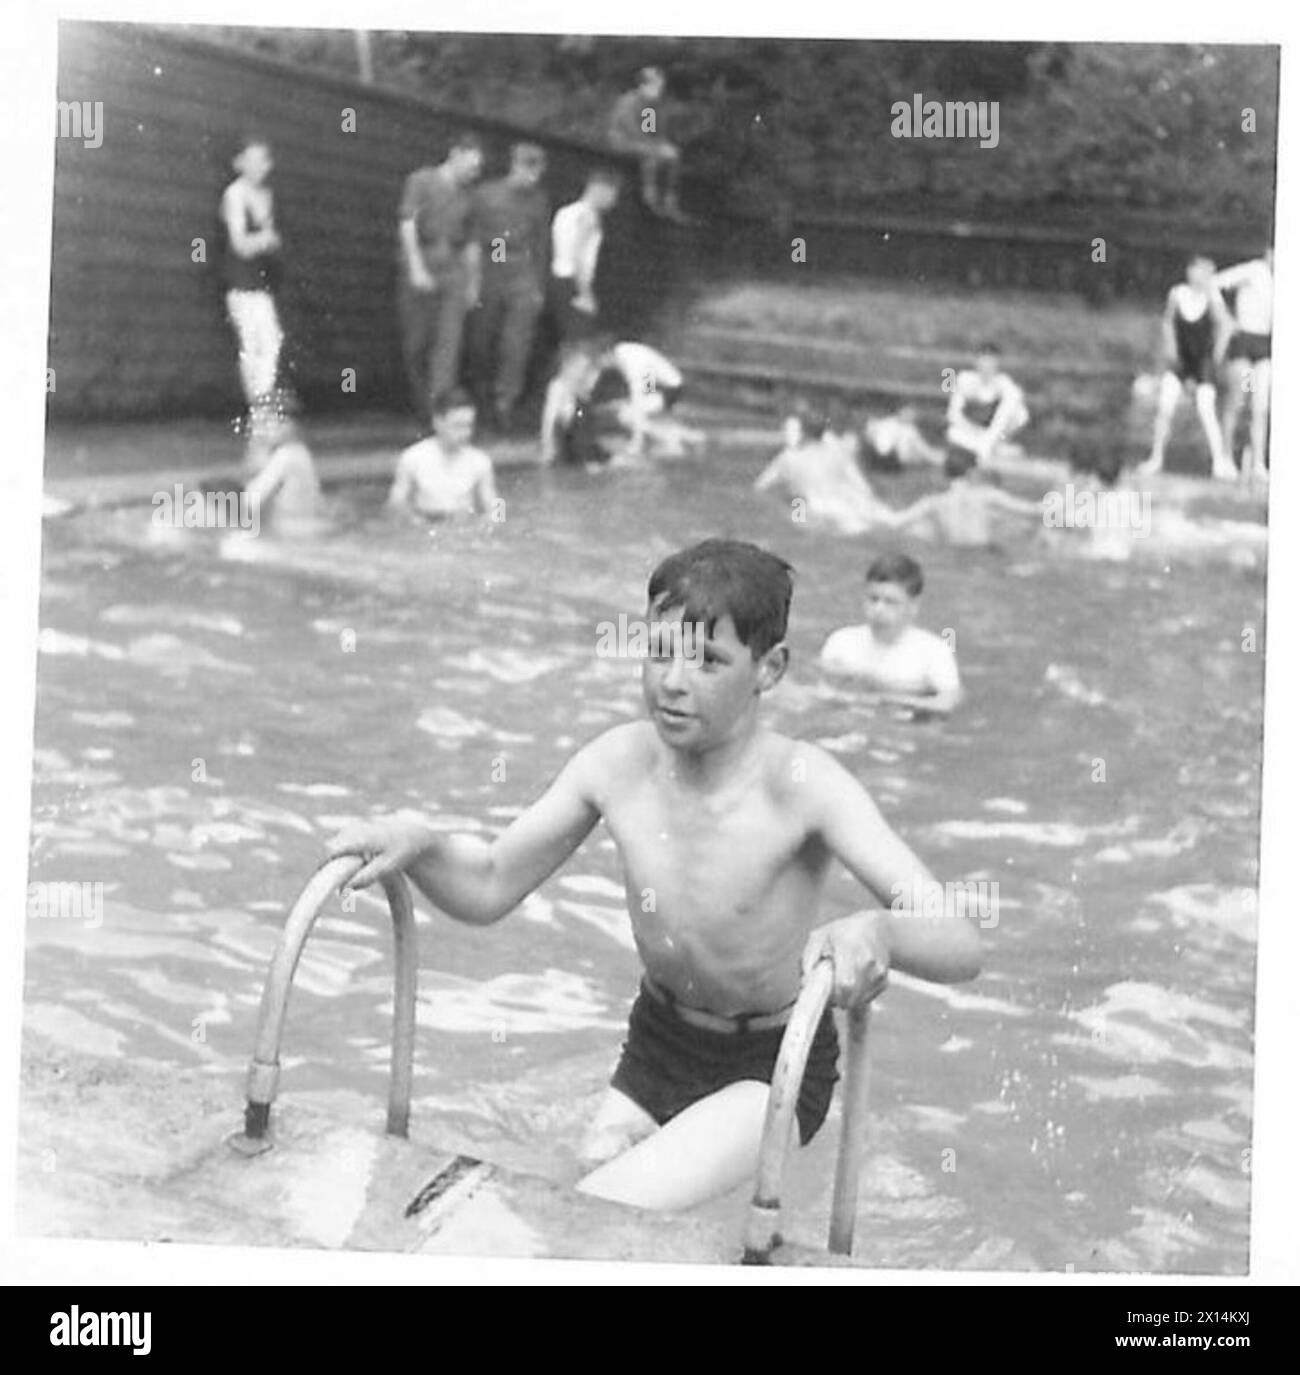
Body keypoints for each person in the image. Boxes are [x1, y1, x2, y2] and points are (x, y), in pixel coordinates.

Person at [327, 538, 981, 1210]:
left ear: (770, 668)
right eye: (659, 651)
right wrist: (423, 843)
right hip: (657, 1047)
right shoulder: (618, 762)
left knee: (599, 1207)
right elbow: (492, 881)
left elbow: (959, 940)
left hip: (770, 1062)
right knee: (562, 1192)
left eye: (707, 662)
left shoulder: (805, 785)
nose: (672, 681)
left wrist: (880, 930)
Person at [397, 132, 485, 426]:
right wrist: (416, 267)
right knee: (417, 344)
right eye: (471, 165)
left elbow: (473, 243)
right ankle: (424, 406)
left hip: (454, 269)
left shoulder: (470, 196)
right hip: (423, 259)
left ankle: (440, 415)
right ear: (455, 154)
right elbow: (408, 224)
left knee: (448, 345)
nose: (475, 172)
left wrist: (473, 283)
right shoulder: (421, 181)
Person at [467, 143, 551, 432]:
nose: (532, 176)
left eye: (536, 170)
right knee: (482, 337)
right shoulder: (486, 194)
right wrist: (474, 277)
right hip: (490, 265)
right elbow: (473, 236)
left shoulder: (539, 201)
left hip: (521, 270)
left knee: (517, 342)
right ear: (514, 165)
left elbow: (541, 244)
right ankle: (480, 399)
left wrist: (538, 285)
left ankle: (506, 403)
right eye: (527, 168)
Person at [819, 554, 963, 716]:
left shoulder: (935, 652)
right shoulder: (841, 641)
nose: (879, 609)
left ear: (913, 605)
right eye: (873, 599)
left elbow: (947, 702)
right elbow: (822, 691)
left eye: (890, 602)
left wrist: (889, 700)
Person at [1137, 256, 1235, 480]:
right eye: (1194, 271)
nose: (1197, 277)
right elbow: (1168, 322)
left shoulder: (1212, 296)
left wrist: (1216, 355)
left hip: (1203, 363)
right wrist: (1170, 350)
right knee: (1165, 408)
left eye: (1202, 273)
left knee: (1205, 409)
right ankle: (1156, 458)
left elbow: (1226, 326)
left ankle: (1219, 462)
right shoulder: (1177, 293)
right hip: (1180, 360)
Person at [754, 411, 906, 535]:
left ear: (802, 432)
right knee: (881, 522)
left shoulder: (788, 456)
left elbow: (760, 488)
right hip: (844, 502)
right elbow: (862, 486)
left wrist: (783, 501)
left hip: (808, 509)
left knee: (800, 512)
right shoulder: (839, 452)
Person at [219, 134, 284, 410]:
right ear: (240, 163)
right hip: (240, 282)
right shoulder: (235, 194)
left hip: (261, 284)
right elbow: (240, 244)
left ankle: (262, 402)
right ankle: (257, 404)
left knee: (271, 341)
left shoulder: (267, 196)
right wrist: (266, 240)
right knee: (253, 344)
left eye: (264, 160)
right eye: (253, 160)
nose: (260, 166)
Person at [892, 450, 1043, 549]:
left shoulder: (932, 502)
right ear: (972, 471)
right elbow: (1033, 510)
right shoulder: (988, 495)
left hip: (952, 554)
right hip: (984, 552)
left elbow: (896, 522)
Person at [387, 387, 498, 519]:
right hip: (425, 524)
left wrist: (494, 522)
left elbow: (496, 504)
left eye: (468, 426)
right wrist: (414, 521)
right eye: (458, 426)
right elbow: (395, 503)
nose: (465, 433)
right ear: (437, 422)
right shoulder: (412, 457)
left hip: (464, 524)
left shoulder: (480, 461)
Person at [1214, 248, 1273, 484]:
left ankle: (1259, 462)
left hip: (1264, 345)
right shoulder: (1253, 270)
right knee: (1239, 400)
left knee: (1261, 406)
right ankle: (1226, 457)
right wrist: (1226, 318)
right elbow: (1215, 284)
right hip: (1245, 343)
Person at [549, 169, 621, 342]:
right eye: (612, 195)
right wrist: (585, 294)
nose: (613, 201)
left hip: (557, 279)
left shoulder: (565, 212)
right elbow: (578, 255)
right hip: (574, 284)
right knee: (577, 342)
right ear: (600, 190)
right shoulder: (589, 217)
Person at [607, 65, 685, 221]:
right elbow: (631, 130)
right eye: (656, 86)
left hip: (642, 143)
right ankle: (649, 197)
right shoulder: (629, 102)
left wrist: (662, 145)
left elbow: (651, 131)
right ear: (644, 85)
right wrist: (655, 147)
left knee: (672, 155)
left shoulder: (650, 107)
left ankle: (669, 200)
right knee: (652, 156)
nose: (660, 91)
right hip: (623, 142)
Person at [946, 344, 1029, 466]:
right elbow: (952, 414)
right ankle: (991, 449)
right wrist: (973, 429)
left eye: (991, 361)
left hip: (995, 434)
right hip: (970, 431)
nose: (987, 365)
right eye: (983, 360)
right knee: (952, 434)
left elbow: (1015, 416)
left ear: (997, 363)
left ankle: (986, 448)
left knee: (1018, 405)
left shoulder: (1004, 382)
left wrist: (990, 436)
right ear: (976, 361)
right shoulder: (964, 379)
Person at [861, 407, 947, 470]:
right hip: (894, 457)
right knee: (921, 451)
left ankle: (940, 458)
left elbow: (921, 447)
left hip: (899, 454)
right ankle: (940, 458)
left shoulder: (906, 428)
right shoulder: (884, 426)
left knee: (924, 452)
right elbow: (883, 449)